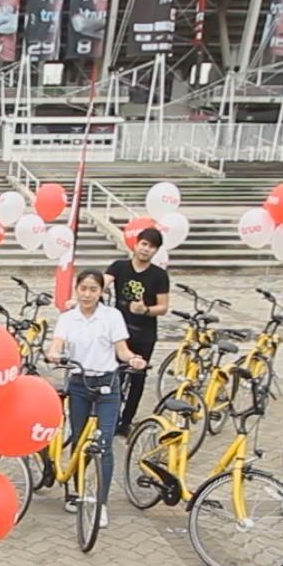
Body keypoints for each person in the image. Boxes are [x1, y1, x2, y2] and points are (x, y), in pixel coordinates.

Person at [44, 269, 143, 527]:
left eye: (93, 289)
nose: (87, 294)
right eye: (83, 288)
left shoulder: (111, 316)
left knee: (104, 445)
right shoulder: (68, 318)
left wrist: (132, 358)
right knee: (79, 442)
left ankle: (101, 502)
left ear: (101, 292)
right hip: (79, 384)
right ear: (76, 289)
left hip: (108, 384)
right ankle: (77, 492)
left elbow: (121, 350)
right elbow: (57, 344)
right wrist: (54, 353)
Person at [107, 226, 171, 435]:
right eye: (144, 244)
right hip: (119, 332)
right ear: (136, 244)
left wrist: (146, 309)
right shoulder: (119, 266)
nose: (146, 249)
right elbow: (102, 282)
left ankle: (126, 423)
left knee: (137, 378)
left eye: (152, 247)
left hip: (144, 334)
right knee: (115, 375)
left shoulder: (159, 275)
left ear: (156, 251)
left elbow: (163, 307)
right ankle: (111, 417)